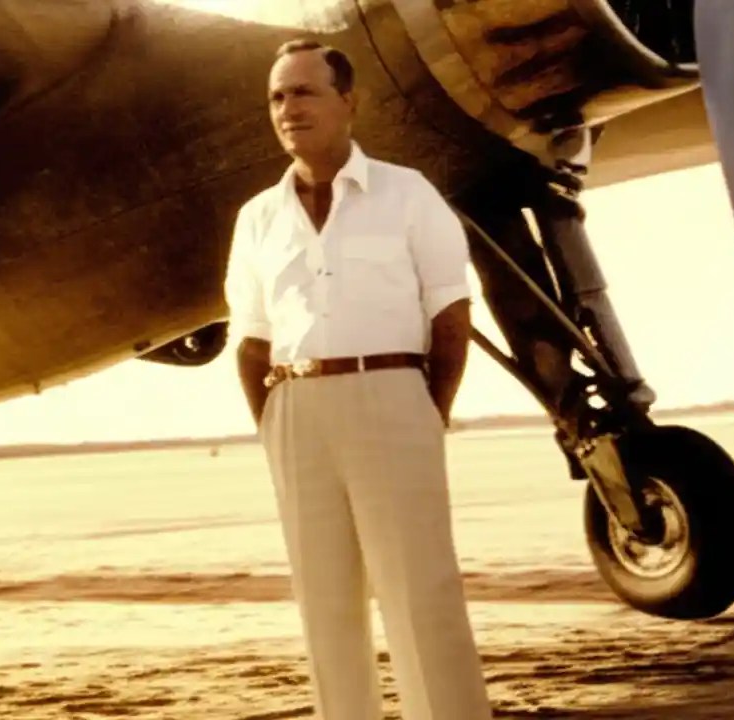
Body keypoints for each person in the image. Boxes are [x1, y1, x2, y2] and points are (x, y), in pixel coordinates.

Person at [222, 38, 493, 720]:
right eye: (277, 97)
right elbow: (251, 340)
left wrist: (427, 409)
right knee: (325, 603)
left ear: (350, 102)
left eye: (305, 92)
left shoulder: (408, 194)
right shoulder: (257, 218)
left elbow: (451, 314)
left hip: (393, 395)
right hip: (294, 407)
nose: (289, 108)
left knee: (420, 595)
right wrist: (279, 421)